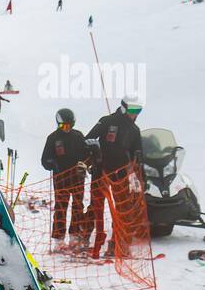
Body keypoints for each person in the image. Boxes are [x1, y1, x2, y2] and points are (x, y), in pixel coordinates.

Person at [85, 99, 144, 257]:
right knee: (95, 207)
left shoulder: (134, 130)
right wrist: (94, 149)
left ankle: (117, 245)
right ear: (124, 108)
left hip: (121, 174)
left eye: (138, 111)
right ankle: (83, 239)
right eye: (132, 110)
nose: (135, 115)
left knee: (122, 210)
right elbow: (87, 140)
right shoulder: (107, 121)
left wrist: (141, 176)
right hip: (100, 171)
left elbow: (138, 154)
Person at [41, 108, 91, 246]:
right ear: (58, 124)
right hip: (61, 180)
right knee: (61, 208)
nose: (67, 128)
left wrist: (87, 162)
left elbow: (86, 154)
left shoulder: (78, 136)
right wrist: (53, 163)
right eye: (64, 126)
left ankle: (74, 235)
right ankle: (59, 238)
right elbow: (45, 160)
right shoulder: (52, 138)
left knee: (78, 206)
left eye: (70, 125)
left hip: (77, 178)